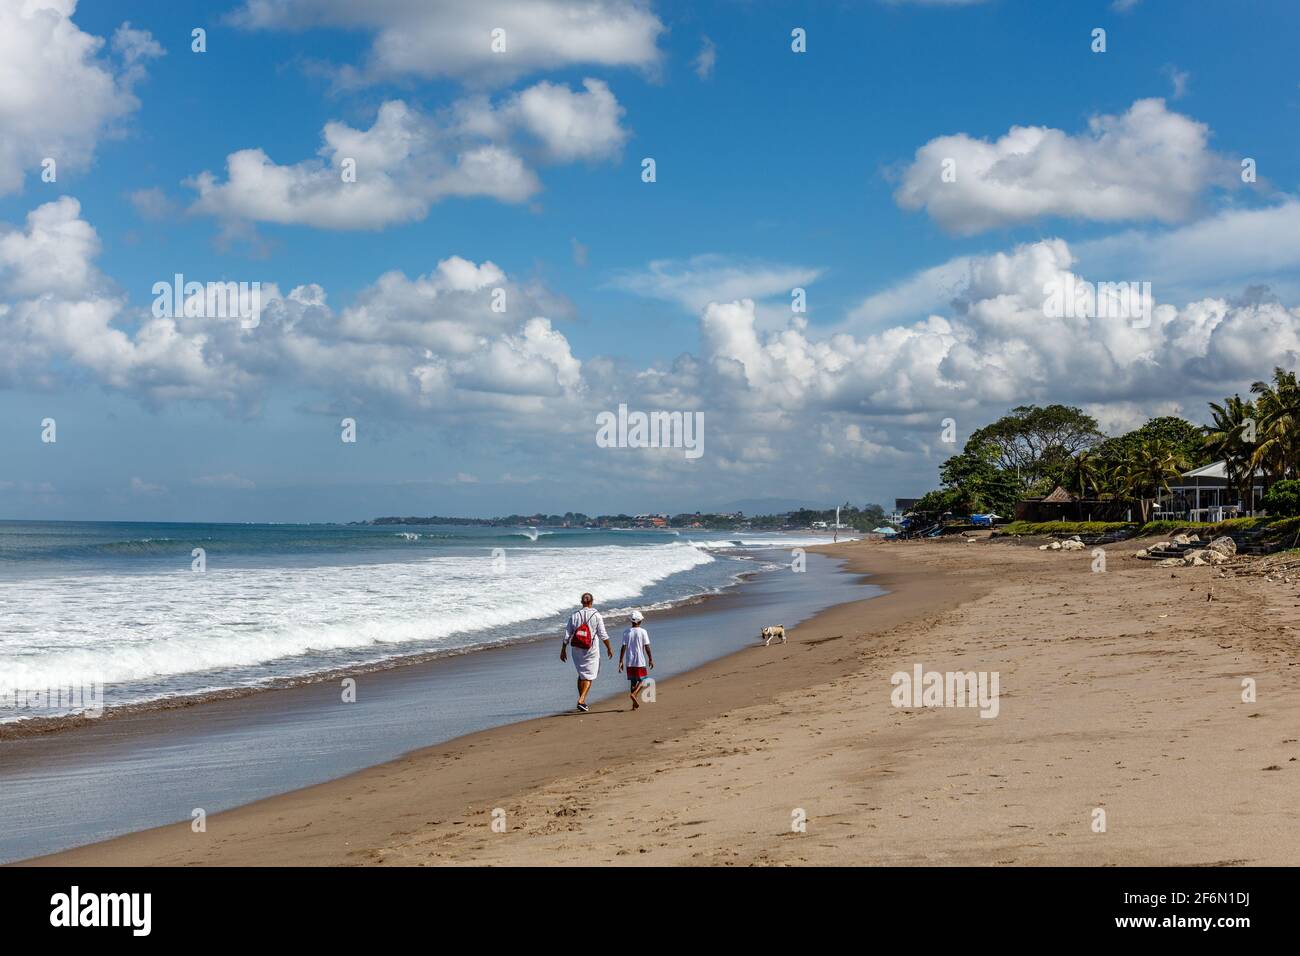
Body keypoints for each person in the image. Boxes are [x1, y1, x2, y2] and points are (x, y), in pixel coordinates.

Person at [560, 592, 612, 712]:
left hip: (576, 649)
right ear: (591, 602)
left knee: (582, 674)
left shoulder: (574, 615)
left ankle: (582, 703)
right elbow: (603, 634)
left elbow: (567, 635)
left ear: (581, 602)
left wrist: (563, 650)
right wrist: (609, 647)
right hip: (591, 649)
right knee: (589, 675)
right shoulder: (596, 615)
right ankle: (581, 699)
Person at [618, 609, 654, 711]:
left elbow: (623, 647)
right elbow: (647, 647)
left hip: (629, 661)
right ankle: (634, 694)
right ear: (640, 621)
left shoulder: (626, 632)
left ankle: (634, 705)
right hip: (640, 660)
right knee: (644, 680)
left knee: (633, 682)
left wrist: (620, 661)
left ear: (632, 621)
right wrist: (650, 659)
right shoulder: (643, 632)